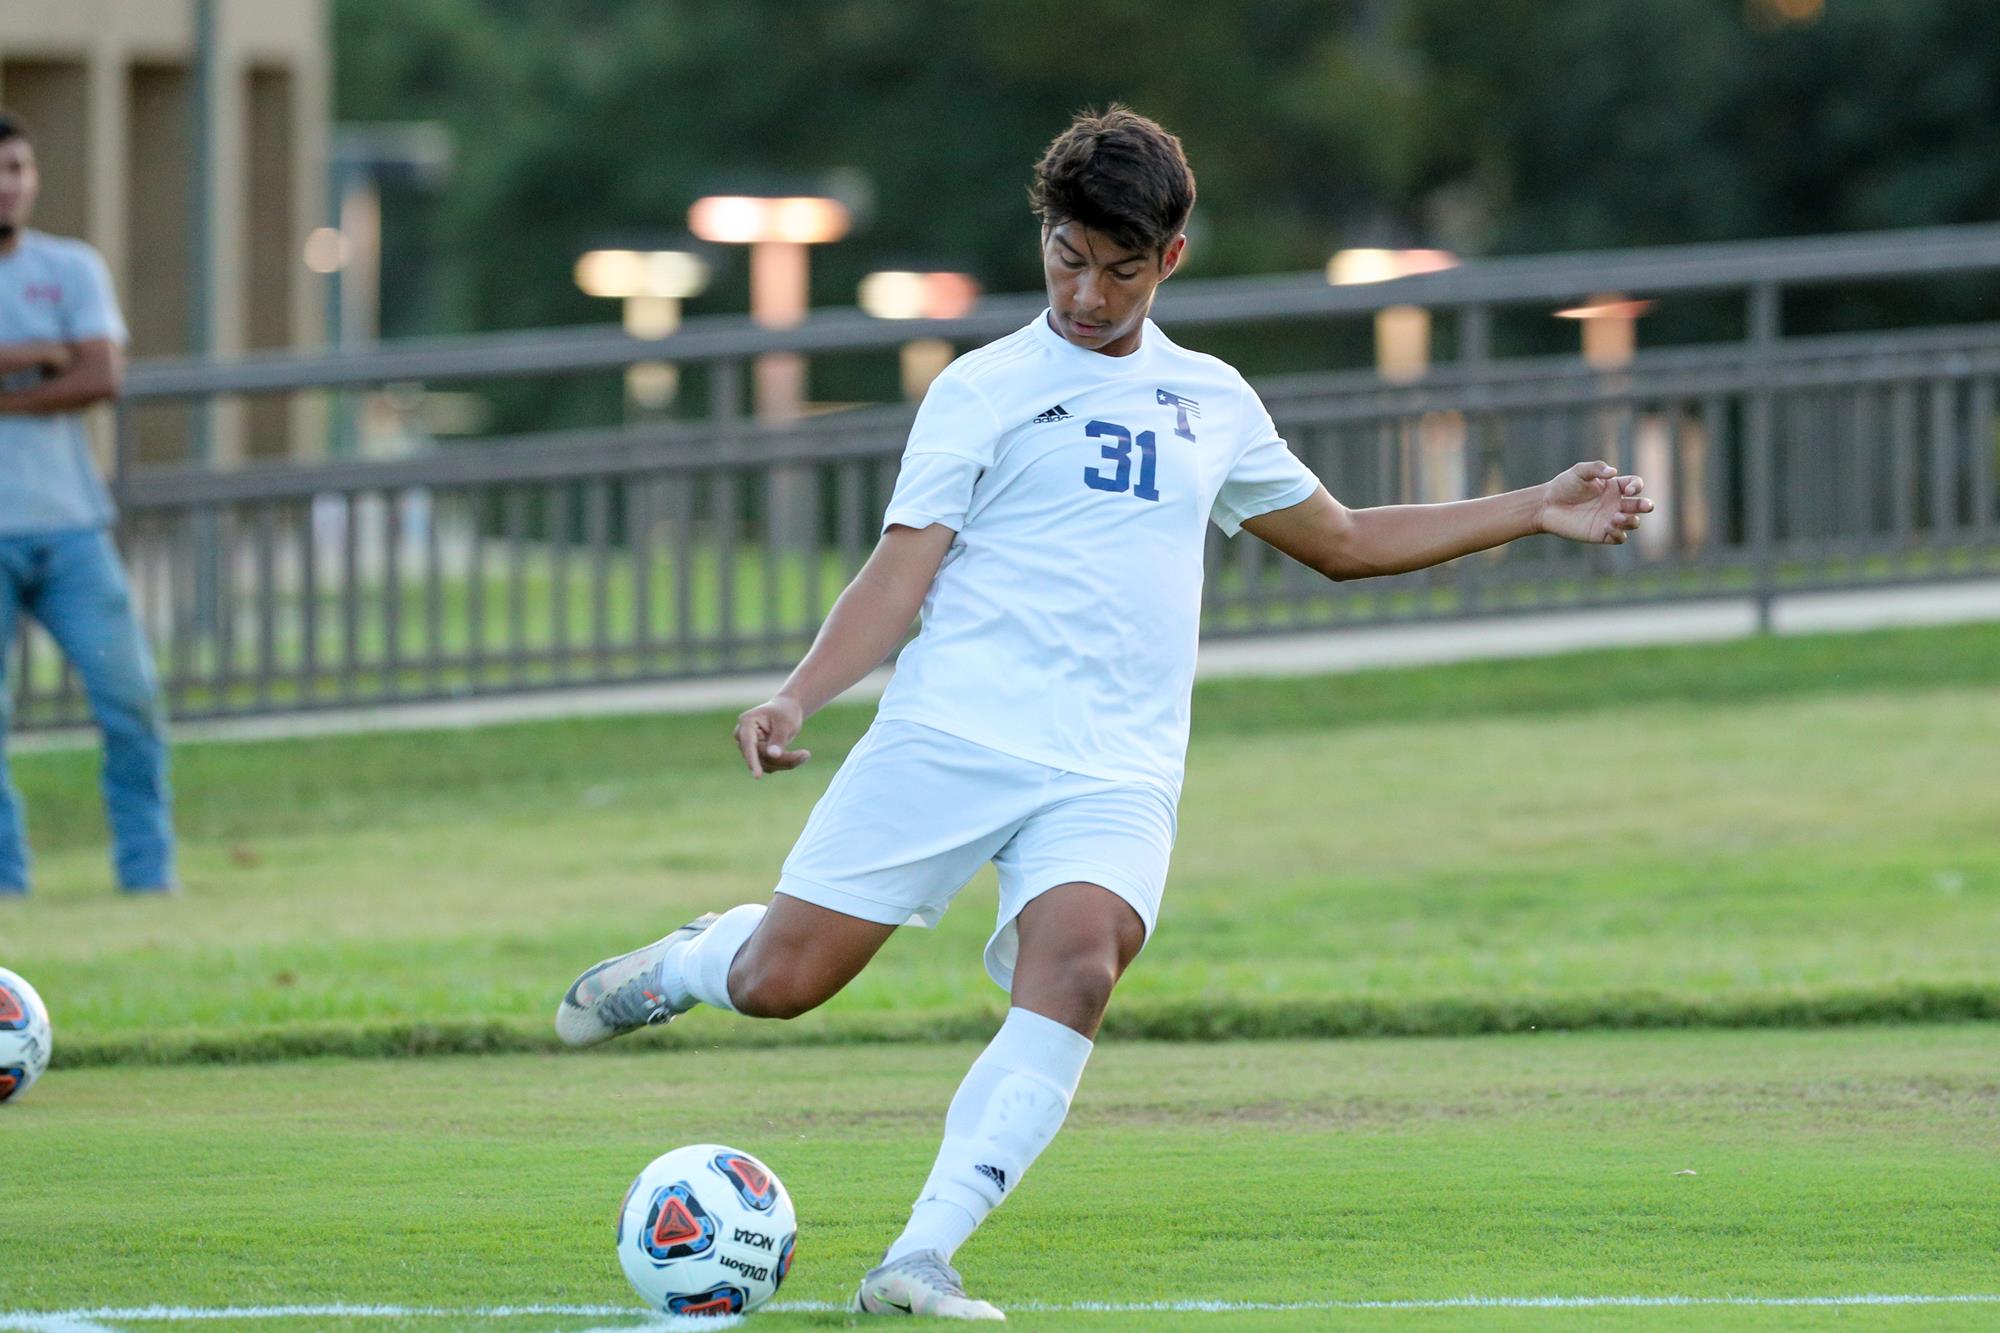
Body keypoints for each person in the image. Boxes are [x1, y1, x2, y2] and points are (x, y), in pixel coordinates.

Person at [558, 106, 1651, 1319]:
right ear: (1044, 236)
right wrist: (796, 692)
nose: (1086, 293)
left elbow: (1340, 540)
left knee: (1078, 966)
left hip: (1115, 766)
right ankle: (687, 960)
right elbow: (897, 575)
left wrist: (1530, 506)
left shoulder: (1211, 399)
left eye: (1119, 269)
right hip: (952, 735)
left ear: (1169, 258)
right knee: (781, 981)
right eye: (1066, 258)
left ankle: (918, 1257)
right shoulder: (981, 390)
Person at [0, 110, 176, 896]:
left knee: (130, 701)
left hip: (71, 526)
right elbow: (69, 364)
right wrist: (42, 354)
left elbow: (101, 374)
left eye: (18, 168)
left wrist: (22, 383)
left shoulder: (70, 267)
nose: (8, 186)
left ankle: (148, 874)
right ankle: (7, 882)